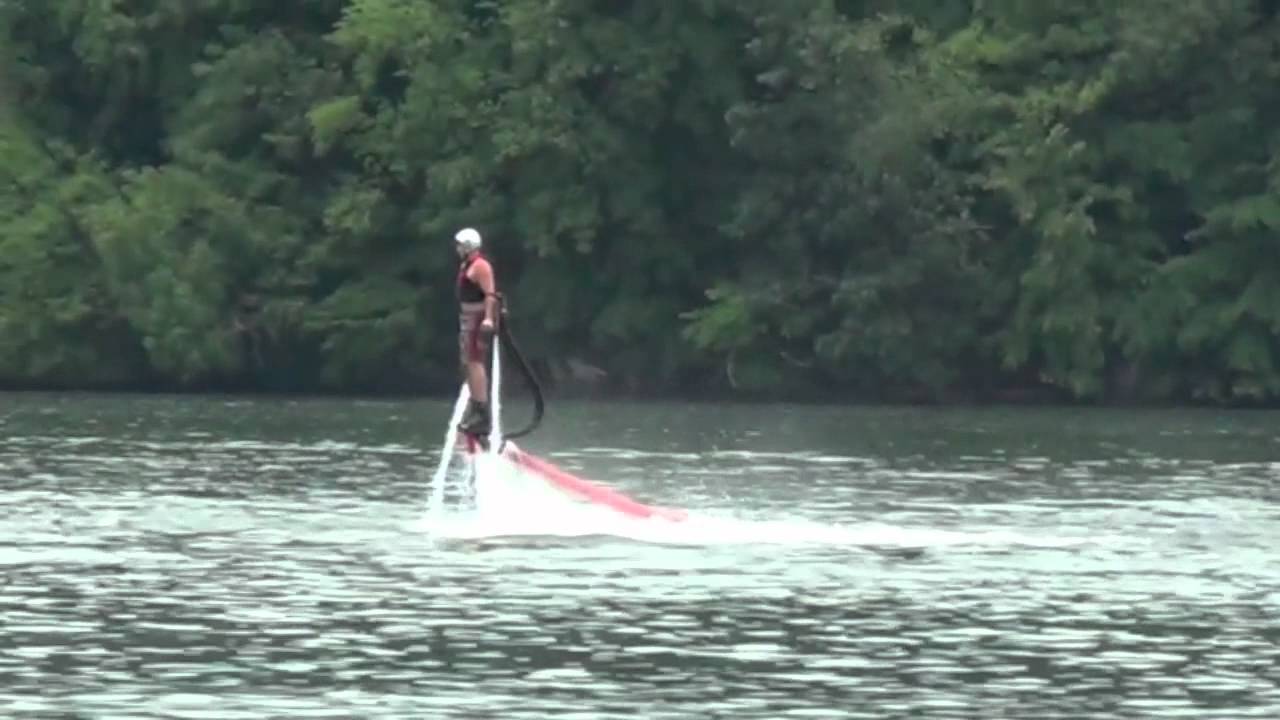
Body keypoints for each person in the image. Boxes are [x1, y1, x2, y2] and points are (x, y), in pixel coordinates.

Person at [454, 227, 499, 436]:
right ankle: (474, 404)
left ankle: (482, 412)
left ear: (468, 246)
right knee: (467, 363)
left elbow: (490, 294)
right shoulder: (466, 265)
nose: (457, 249)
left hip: (477, 318)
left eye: (460, 245)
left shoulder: (481, 266)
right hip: (466, 318)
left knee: (475, 361)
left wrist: (488, 318)